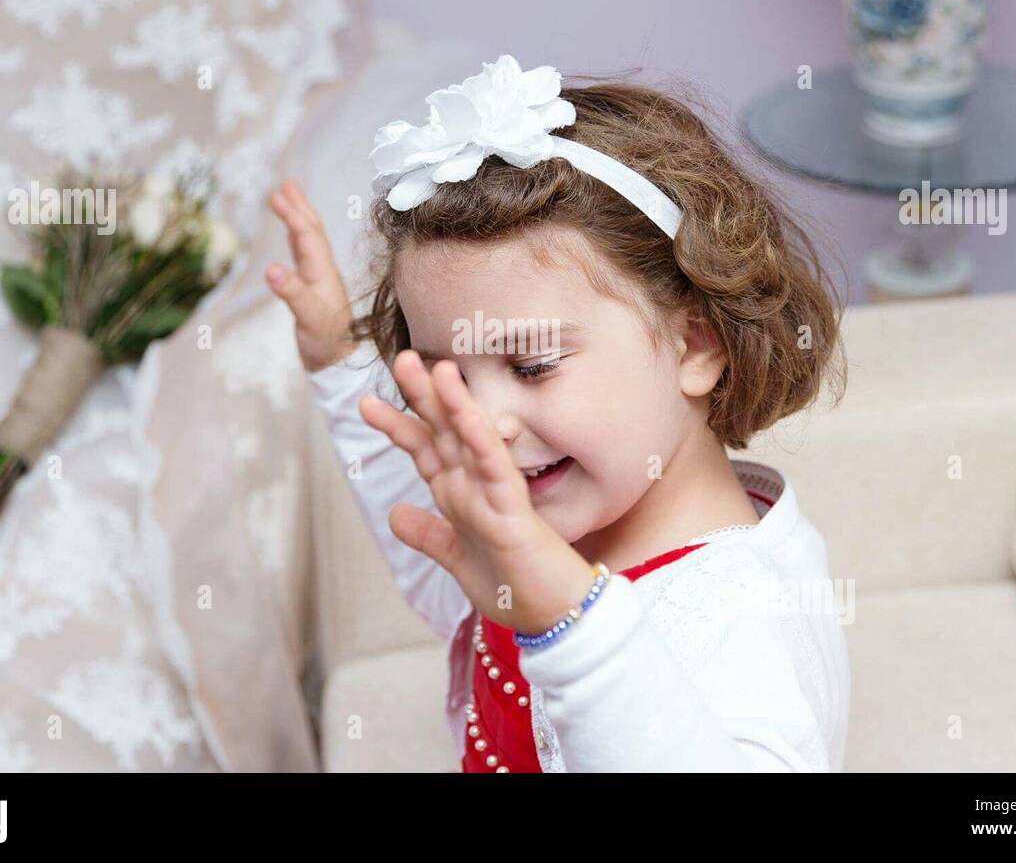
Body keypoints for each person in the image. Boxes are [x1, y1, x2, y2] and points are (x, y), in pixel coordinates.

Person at [266, 54, 851, 772]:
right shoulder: (577, 506)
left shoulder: (738, 612)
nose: (483, 421)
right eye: (448, 374)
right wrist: (337, 360)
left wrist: (572, 628)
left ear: (694, 344)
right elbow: (448, 576)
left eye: (532, 366)